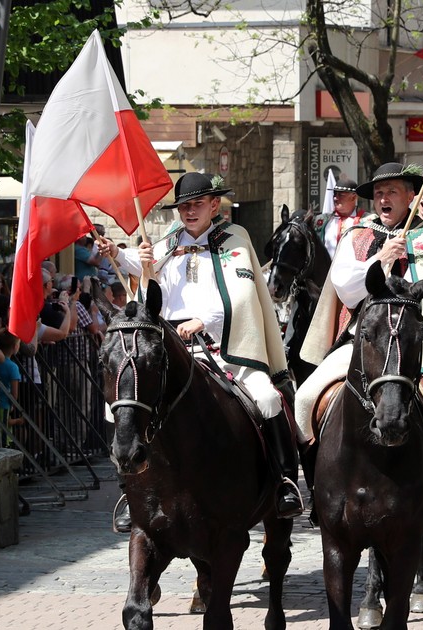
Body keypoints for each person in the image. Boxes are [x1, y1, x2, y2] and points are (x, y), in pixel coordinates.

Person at [103, 171, 303, 531]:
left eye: (197, 204)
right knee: (119, 404)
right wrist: (118, 252)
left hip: (223, 347)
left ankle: (284, 482)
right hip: (171, 351)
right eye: (183, 206)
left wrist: (203, 320)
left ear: (215, 205)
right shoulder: (169, 239)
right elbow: (144, 268)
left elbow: (242, 295)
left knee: (268, 399)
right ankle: (129, 490)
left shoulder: (235, 239)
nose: (189, 211)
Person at [297, 162, 423, 518]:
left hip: (420, 344)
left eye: (392, 192)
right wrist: (382, 259)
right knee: (305, 397)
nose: (384, 200)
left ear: (410, 197)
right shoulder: (356, 236)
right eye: (379, 194)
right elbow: (346, 287)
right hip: (365, 341)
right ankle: (315, 489)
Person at [314, 177, 362, 258]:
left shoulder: (368, 221)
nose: (335, 198)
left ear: (353, 197)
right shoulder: (321, 220)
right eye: (334, 194)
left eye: (341, 195)